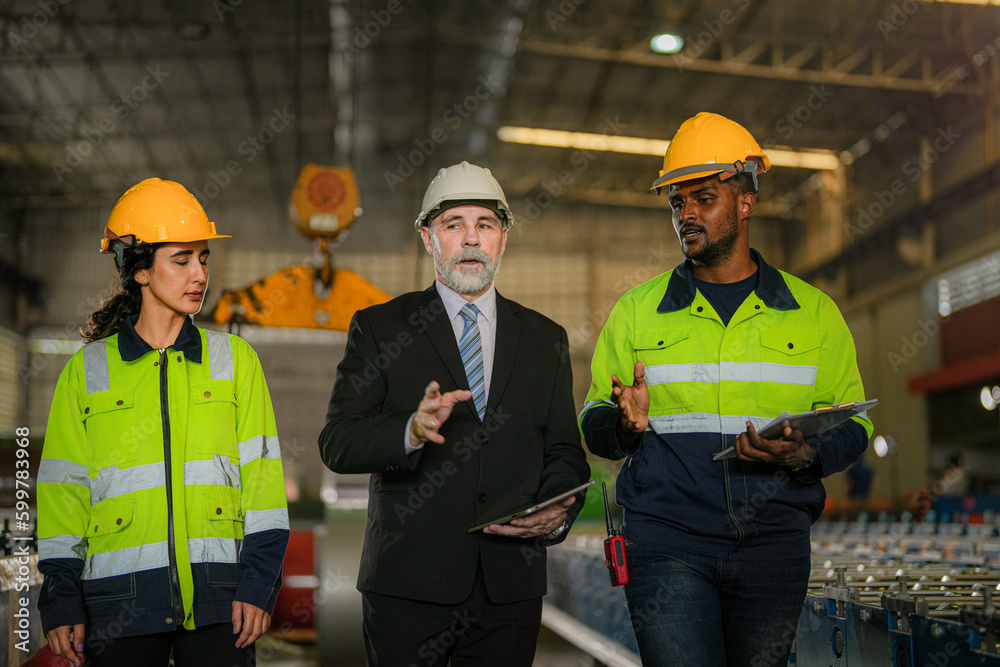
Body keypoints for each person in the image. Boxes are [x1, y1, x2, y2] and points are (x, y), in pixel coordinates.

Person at [578, 112, 873, 667]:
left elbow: (855, 423)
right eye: (676, 203)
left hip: (773, 545)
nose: (686, 214)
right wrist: (623, 424)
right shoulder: (637, 313)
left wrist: (805, 453)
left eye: (704, 198)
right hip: (668, 545)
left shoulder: (812, 313)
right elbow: (595, 421)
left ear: (745, 202)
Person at [318, 161, 590, 666]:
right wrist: (409, 431)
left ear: (503, 238)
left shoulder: (544, 338)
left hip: (509, 588)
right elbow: (338, 441)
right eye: (453, 225)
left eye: (485, 225)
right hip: (407, 588)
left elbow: (564, 452)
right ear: (428, 238)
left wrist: (556, 512)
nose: (470, 240)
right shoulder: (380, 327)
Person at [37, 178, 289, 667]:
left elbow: (264, 485)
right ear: (141, 271)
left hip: (222, 605)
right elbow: (62, 494)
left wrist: (259, 586)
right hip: (115, 605)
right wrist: (61, 597)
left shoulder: (235, 361)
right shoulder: (86, 372)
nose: (199, 274)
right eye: (181, 259)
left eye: (204, 258)